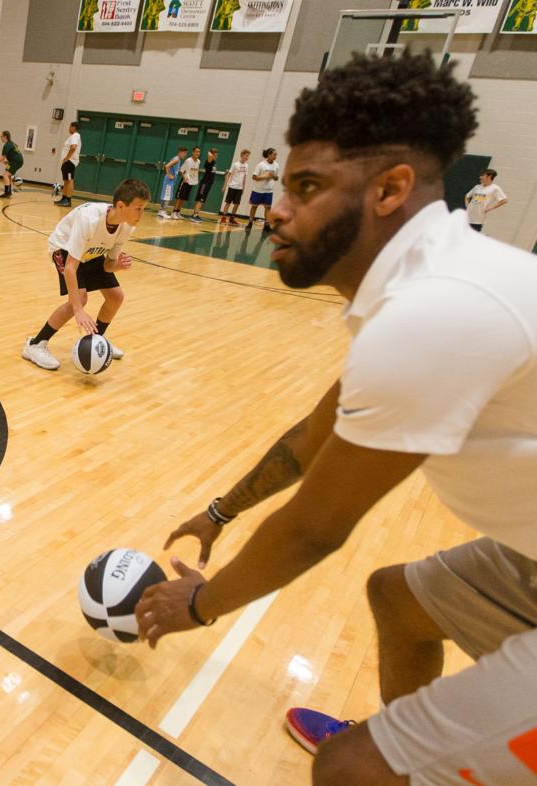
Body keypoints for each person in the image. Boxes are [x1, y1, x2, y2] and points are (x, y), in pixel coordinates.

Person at [135, 53, 537, 786]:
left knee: (349, 769)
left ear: (390, 190)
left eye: (306, 187)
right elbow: (312, 441)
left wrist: (199, 603)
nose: (275, 209)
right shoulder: (425, 287)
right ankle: (426, 761)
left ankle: (409, 764)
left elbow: (316, 529)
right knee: (399, 597)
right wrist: (218, 513)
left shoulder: (435, 312)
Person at [21, 179, 150, 371]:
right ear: (121, 205)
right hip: (63, 248)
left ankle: (97, 341)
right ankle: (35, 344)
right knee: (79, 298)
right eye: (138, 208)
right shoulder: (88, 218)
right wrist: (78, 309)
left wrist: (118, 266)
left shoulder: (127, 227)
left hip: (91, 253)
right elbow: (71, 267)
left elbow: (107, 265)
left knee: (116, 296)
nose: (142, 214)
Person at [463, 168, 507, 232]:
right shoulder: (477, 187)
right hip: (467, 217)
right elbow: (467, 196)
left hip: (478, 220)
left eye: (482, 175)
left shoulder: (495, 188)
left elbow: (504, 200)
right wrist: (467, 205)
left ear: (489, 176)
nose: (480, 177)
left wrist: (490, 208)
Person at [247, 147, 279, 231]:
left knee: (268, 208)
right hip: (258, 190)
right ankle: (250, 222)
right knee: (254, 206)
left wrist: (273, 176)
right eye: (274, 154)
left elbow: (276, 178)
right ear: (269, 155)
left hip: (268, 190)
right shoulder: (261, 165)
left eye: (276, 155)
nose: (276, 156)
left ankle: (267, 224)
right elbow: (254, 177)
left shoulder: (276, 165)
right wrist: (265, 177)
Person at [219, 149, 250, 226]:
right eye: (246, 155)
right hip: (232, 186)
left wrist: (243, 187)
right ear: (242, 155)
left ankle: (232, 218)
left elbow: (244, 177)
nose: (247, 157)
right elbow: (228, 175)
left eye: (248, 156)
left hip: (239, 188)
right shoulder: (235, 164)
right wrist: (224, 185)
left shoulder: (246, 165)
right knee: (228, 202)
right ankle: (223, 218)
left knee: (237, 204)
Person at [189, 148, 219, 223]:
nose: (215, 156)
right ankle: (194, 215)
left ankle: (195, 214)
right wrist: (211, 153)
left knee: (202, 200)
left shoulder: (214, 162)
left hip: (209, 183)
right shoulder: (209, 161)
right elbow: (209, 154)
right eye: (214, 155)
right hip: (204, 183)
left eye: (216, 155)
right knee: (200, 199)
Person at [55, 122, 81, 207]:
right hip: (68, 163)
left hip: (70, 162)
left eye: (70, 126)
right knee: (66, 181)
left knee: (69, 180)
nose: (69, 128)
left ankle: (68, 200)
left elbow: (73, 147)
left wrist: (67, 158)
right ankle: (64, 198)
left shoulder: (75, 136)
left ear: (74, 127)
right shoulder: (73, 136)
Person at [157, 147, 187, 219]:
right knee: (167, 196)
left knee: (167, 195)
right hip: (169, 180)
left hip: (171, 181)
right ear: (180, 152)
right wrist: (169, 174)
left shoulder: (178, 159)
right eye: (184, 153)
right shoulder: (176, 159)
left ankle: (161, 210)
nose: (185, 155)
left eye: (186, 153)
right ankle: (162, 211)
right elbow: (167, 166)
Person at [172, 146, 201, 220]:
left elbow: (195, 171)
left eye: (199, 152)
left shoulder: (198, 161)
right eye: (196, 151)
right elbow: (181, 170)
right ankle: (174, 212)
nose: (198, 153)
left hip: (191, 182)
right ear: (193, 152)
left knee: (184, 198)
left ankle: (178, 212)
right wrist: (184, 177)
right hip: (185, 181)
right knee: (179, 197)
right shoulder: (188, 160)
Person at [0, 130, 24, 199]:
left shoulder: (7, 145)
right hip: (16, 161)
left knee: (5, 175)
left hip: (15, 162)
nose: (1, 138)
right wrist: (8, 162)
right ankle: (9, 192)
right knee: (9, 176)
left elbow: (2, 157)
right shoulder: (11, 143)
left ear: (5, 136)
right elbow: (14, 153)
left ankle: (6, 193)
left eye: (1, 136)